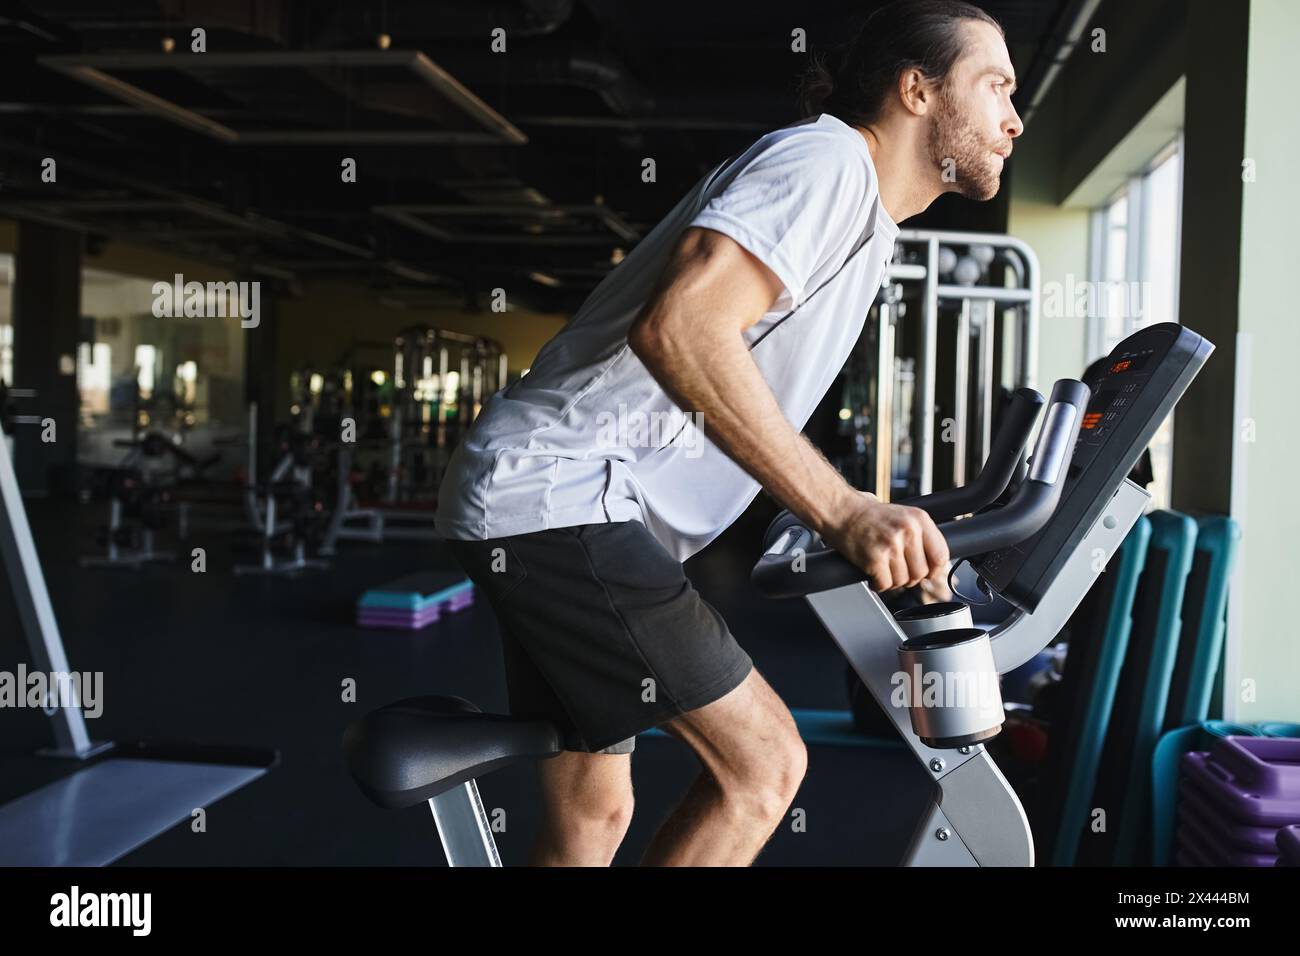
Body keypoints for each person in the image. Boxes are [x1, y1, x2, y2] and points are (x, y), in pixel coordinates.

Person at [434, 0, 1023, 866]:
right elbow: (683, 327)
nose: (1013, 118)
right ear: (917, 90)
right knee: (764, 766)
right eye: (995, 86)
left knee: (592, 812)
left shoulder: (867, 226)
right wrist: (840, 508)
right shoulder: (825, 162)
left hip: (561, 500)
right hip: (558, 494)